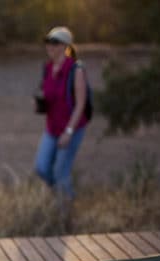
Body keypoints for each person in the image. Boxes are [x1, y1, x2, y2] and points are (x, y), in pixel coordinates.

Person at [33, 26, 89, 220]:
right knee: (41, 167)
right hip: (52, 128)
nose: (50, 46)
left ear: (65, 46)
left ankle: (66, 214)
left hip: (71, 129)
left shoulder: (76, 69)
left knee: (60, 171)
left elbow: (80, 104)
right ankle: (61, 198)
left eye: (55, 42)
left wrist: (69, 131)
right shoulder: (47, 68)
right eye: (48, 41)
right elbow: (48, 94)